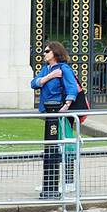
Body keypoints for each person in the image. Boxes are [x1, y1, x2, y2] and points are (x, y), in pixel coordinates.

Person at [31, 41, 78, 199]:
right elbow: (34, 83)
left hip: (60, 112)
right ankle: (50, 181)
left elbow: (72, 87)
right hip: (49, 112)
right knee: (52, 146)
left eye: (47, 51)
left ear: (55, 53)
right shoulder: (47, 69)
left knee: (65, 145)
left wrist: (66, 105)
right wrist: (49, 76)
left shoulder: (64, 69)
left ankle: (69, 181)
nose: (44, 54)